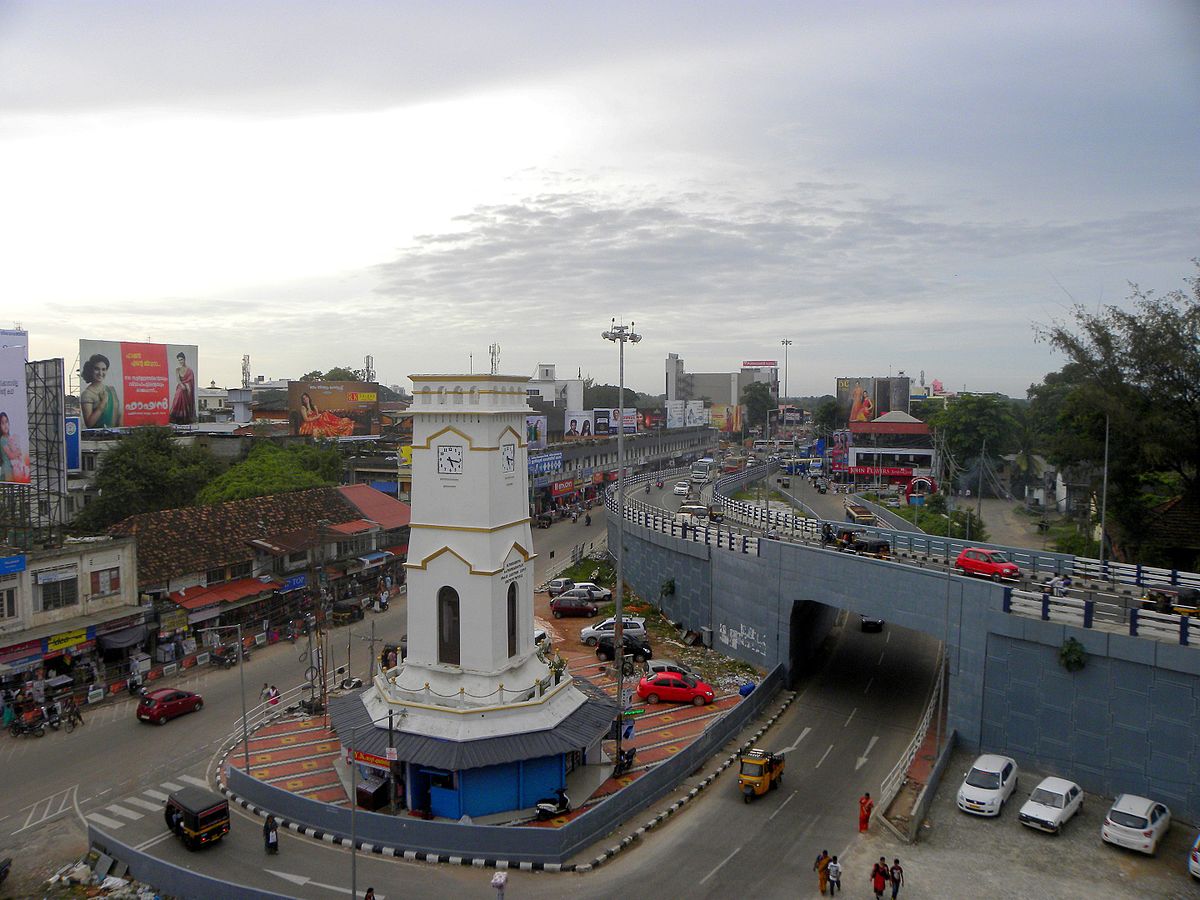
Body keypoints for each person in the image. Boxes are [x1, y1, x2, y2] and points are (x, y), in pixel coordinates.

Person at [81, 353, 122, 428]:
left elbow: (118, 415)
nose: (100, 373)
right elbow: (89, 424)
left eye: (103, 369)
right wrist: (102, 404)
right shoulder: (87, 394)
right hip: (97, 437)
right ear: (91, 370)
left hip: (116, 435)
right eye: (97, 369)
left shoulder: (111, 390)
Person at [0, 411, 30, 483]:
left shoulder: (10, 438)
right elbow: (11, 455)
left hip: (14, 467)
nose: (5, 425)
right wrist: (19, 451)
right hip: (7, 468)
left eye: (6, 422)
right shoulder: (2, 440)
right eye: (2, 423)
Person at [169, 351, 196, 424]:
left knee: (184, 392)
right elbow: (178, 379)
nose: (180, 361)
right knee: (179, 393)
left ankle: (185, 418)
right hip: (181, 386)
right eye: (179, 360)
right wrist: (182, 385)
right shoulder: (177, 369)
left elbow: (190, 380)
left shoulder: (189, 370)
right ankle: (176, 417)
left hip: (187, 389)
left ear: (184, 359)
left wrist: (187, 386)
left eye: (181, 359)